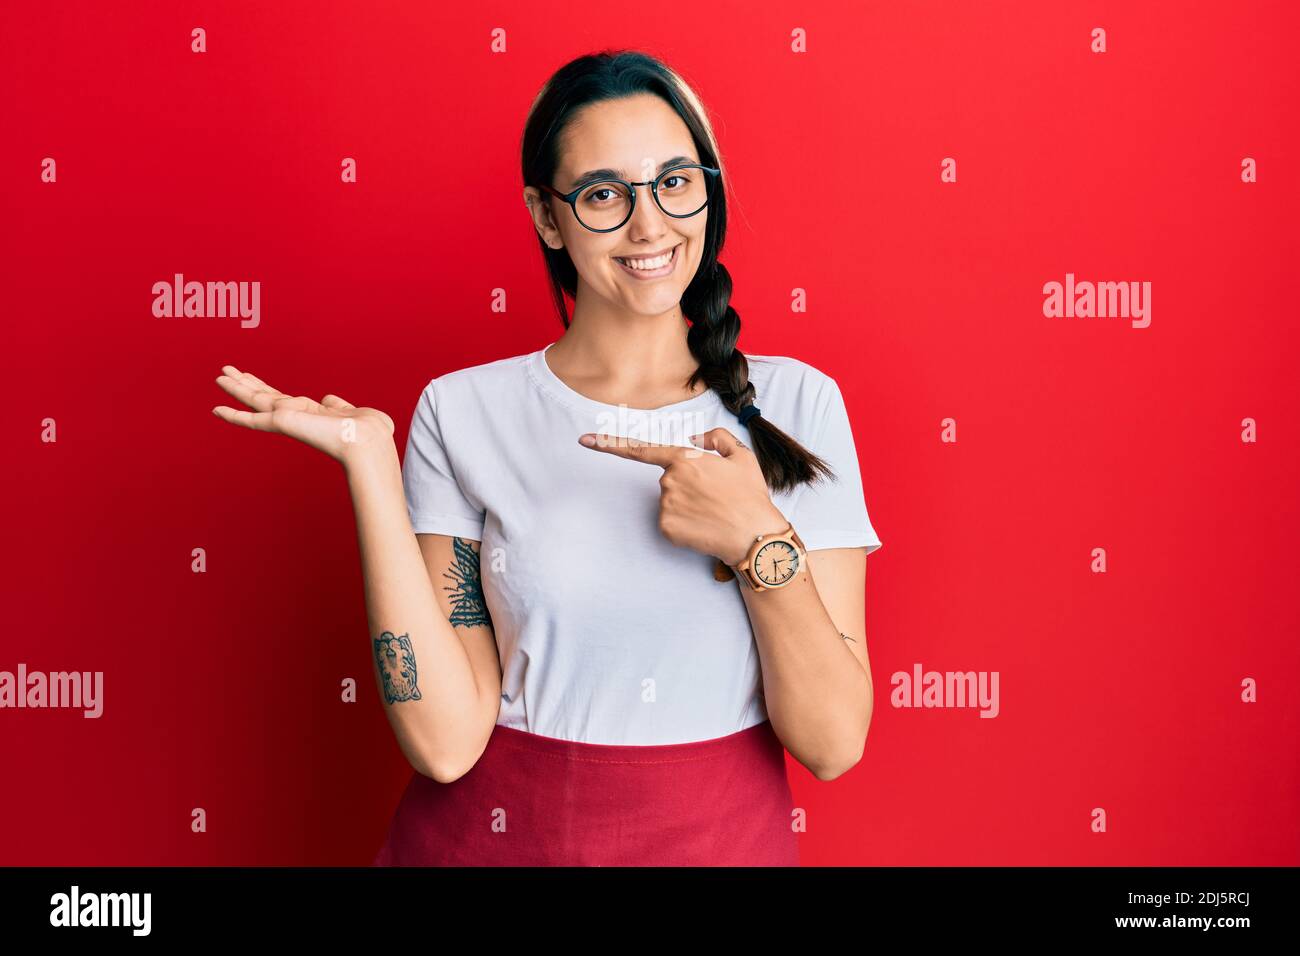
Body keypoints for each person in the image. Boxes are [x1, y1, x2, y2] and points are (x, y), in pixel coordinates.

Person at [211, 49, 882, 866]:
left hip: (719, 840)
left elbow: (833, 742)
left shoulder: (800, 406)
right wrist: (370, 467)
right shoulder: (463, 411)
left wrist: (756, 543)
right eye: (604, 194)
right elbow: (444, 744)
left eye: (675, 180)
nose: (649, 225)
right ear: (546, 215)